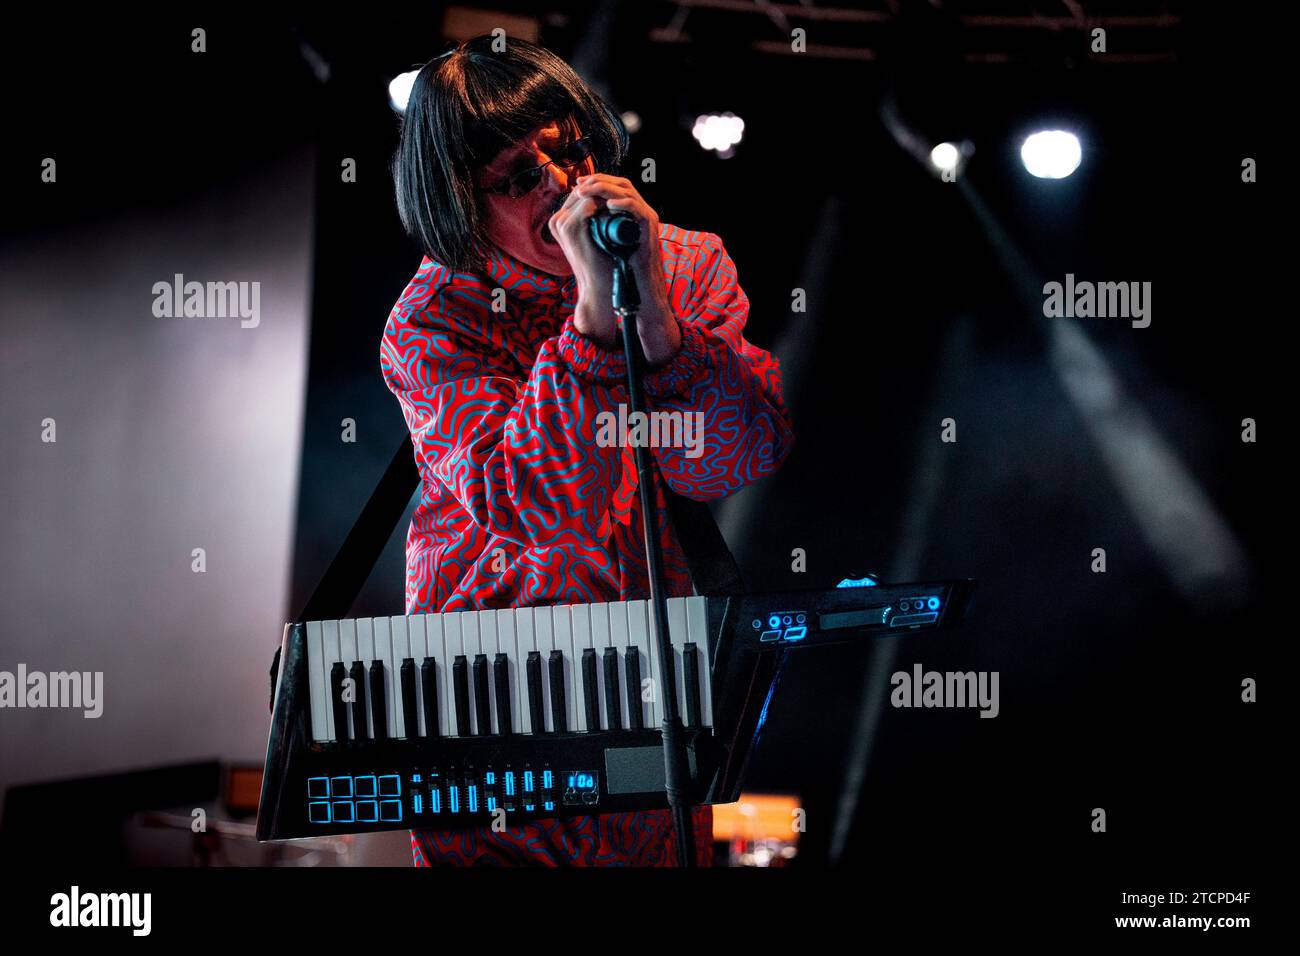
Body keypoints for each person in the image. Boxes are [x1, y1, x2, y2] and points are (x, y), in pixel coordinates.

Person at [381, 34, 794, 866]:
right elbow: (543, 512)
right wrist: (596, 325)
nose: (566, 186)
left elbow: (733, 458)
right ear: (462, 203)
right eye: (521, 177)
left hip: (652, 692)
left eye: (571, 152)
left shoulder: (684, 262)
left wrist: (658, 325)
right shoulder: (433, 321)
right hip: (485, 703)